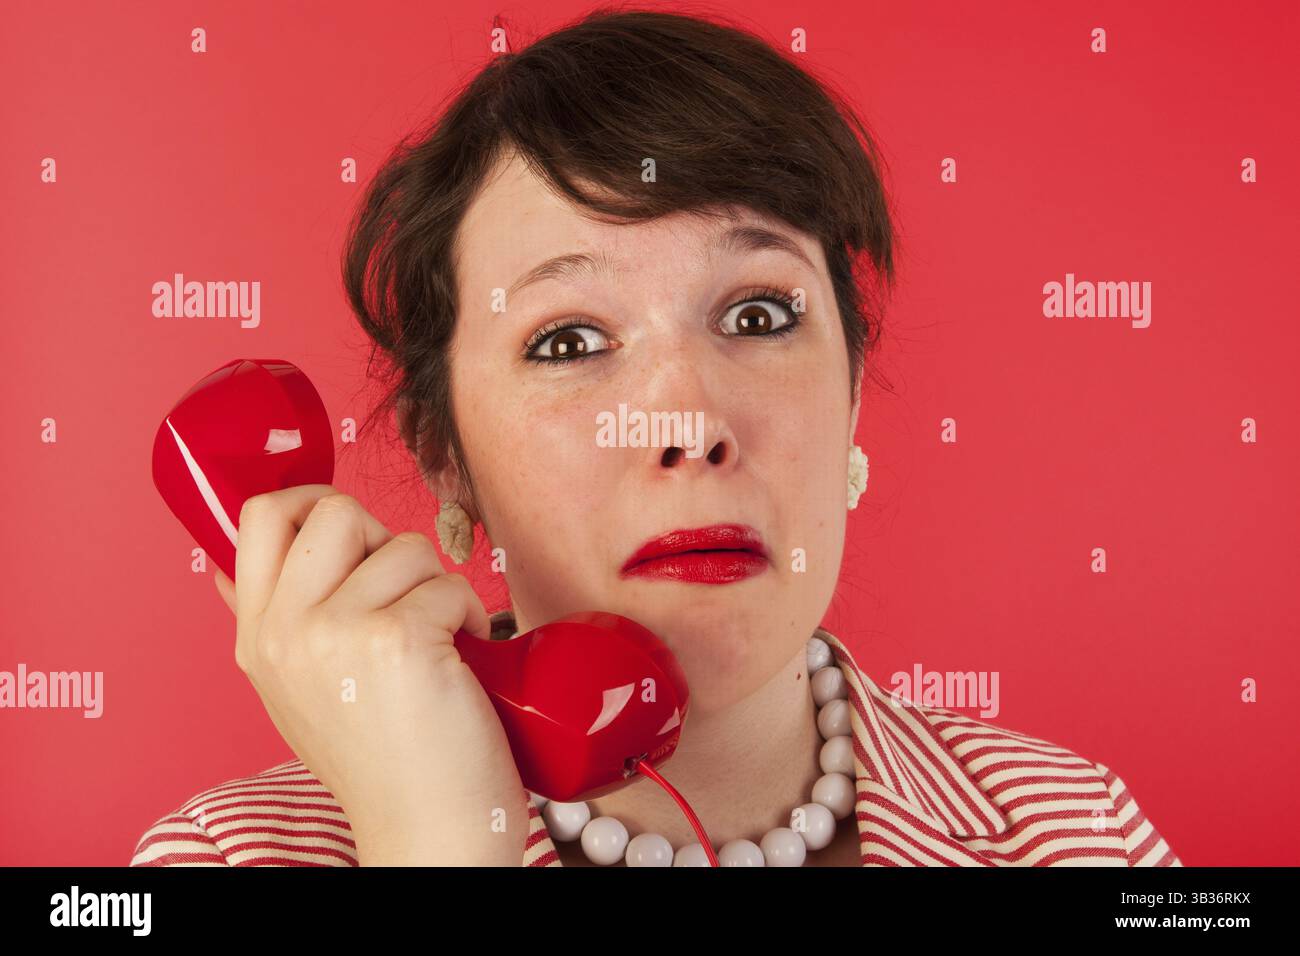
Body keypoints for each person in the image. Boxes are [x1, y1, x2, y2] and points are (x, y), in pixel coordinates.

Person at [131, 8, 1179, 867]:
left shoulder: (1077, 832)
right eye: (570, 339)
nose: (687, 423)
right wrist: (441, 842)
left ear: (852, 400)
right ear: (445, 455)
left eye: (759, 316)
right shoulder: (226, 854)